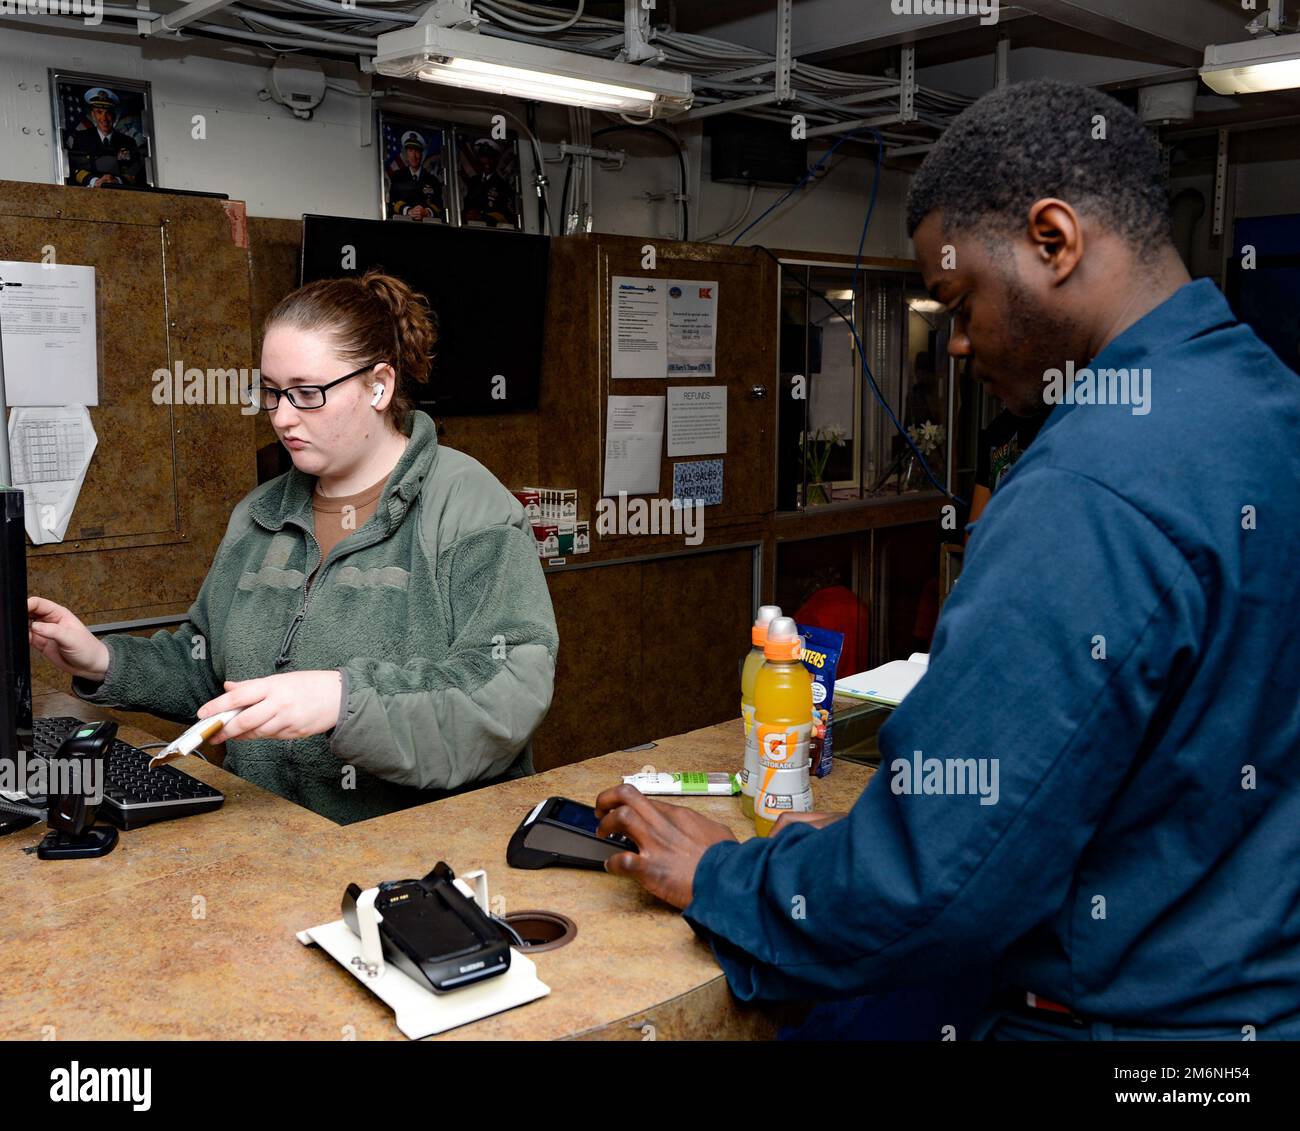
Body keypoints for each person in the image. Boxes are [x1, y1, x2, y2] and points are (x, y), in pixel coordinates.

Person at [592, 79, 1300, 1039]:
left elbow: (935, 883)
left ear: (1054, 242)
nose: (958, 343)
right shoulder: (1271, 404)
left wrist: (731, 877)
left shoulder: (1088, 486)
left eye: (960, 301)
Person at [28, 270, 558, 825]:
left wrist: (342, 701)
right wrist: (104, 659)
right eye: (272, 393)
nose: (282, 417)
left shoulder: (469, 507)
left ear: (379, 385)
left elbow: (506, 694)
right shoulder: (259, 516)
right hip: (269, 848)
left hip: (414, 856)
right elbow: (211, 672)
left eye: (307, 393)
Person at [67, 87, 146, 189]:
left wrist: (117, 181)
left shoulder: (128, 141)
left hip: (121, 193)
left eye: (108, 113)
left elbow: (135, 171)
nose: (104, 119)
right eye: (99, 112)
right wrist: (95, 181)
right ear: (93, 114)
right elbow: (75, 168)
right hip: (90, 192)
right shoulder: (81, 138)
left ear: (114, 115)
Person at [388, 131, 444, 221]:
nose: (414, 156)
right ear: (406, 154)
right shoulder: (398, 176)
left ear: (422, 154)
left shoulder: (432, 180)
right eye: (410, 151)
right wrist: (409, 210)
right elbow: (393, 201)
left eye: (417, 151)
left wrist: (426, 212)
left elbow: (438, 205)